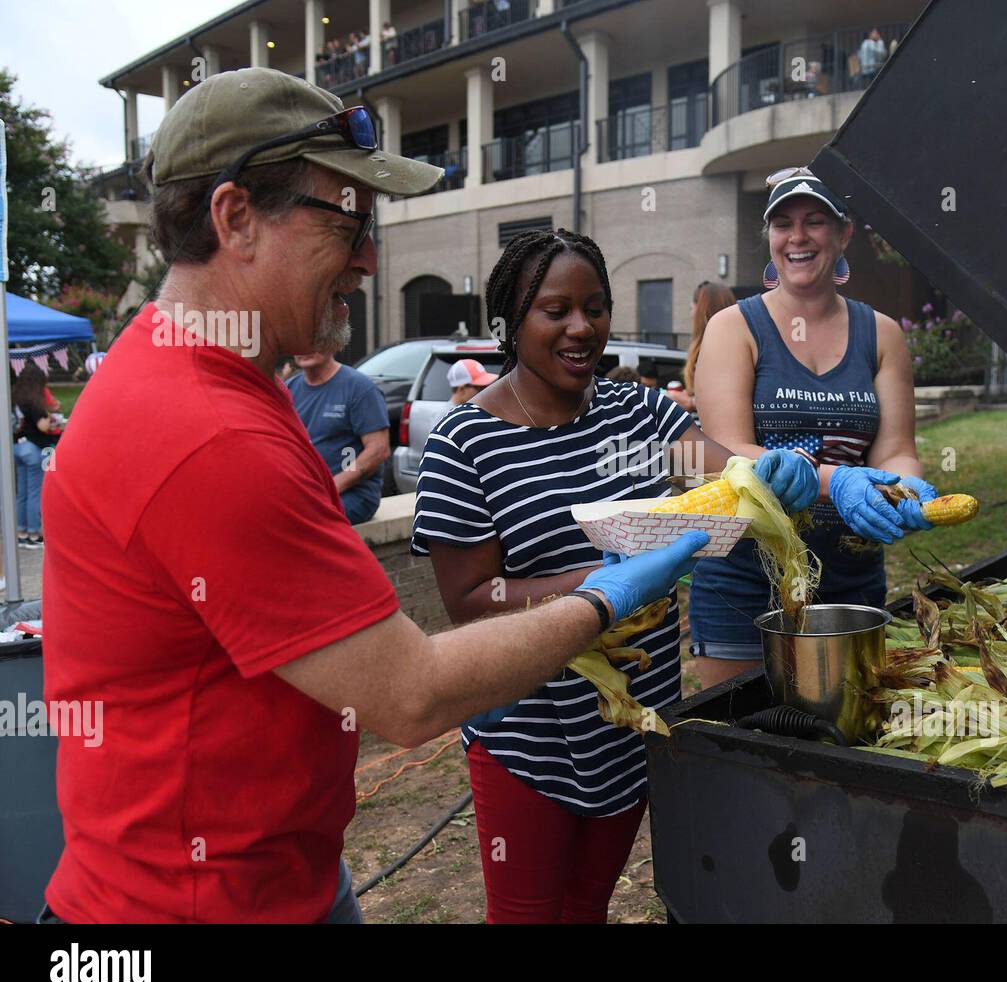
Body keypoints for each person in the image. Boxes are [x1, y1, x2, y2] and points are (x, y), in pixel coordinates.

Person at [38, 67, 705, 925]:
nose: (367, 256)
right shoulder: (206, 433)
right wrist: (603, 597)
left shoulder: (216, 383)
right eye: (345, 218)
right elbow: (410, 692)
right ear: (235, 218)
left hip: (279, 882)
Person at [412, 227, 817, 923]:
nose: (582, 328)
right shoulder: (464, 445)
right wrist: (600, 586)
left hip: (630, 727)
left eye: (595, 307)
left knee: (587, 908)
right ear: (511, 321)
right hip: (530, 738)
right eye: (556, 309)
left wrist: (771, 474)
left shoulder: (641, 411)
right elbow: (470, 605)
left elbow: (720, 467)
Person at [690, 168, 937, 689]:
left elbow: (896, 449)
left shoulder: (883, 334)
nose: (797, 237)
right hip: (744, 577)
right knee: (740, 737)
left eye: (814, 221)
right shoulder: (734, 327)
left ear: (844, 234)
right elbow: (727, 452)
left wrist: (904, 485)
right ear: (770, 239)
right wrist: (835, 482)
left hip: (851, 578)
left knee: (839, 736)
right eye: (782, 224)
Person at [287, 341, 390, 524]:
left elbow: (378, 450)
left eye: (315, 340)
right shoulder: (289, 390)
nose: (305, 347)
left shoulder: (359, 388)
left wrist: (333, 486)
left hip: (352, 494)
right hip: (306, 492)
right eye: (300, 340)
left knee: (305, 524)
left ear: (333, 344)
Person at [11, 362, 60, 548]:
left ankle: (21, 531)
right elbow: (43, 427)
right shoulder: (35, 400)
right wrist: (51, 418)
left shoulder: (15, 397)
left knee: (21, 493)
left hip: (17, 447)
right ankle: (34, 533)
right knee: (35, 493)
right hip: (33, 448)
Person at [671, 280, 736, 414]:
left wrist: (690, 402)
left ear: (702, 312)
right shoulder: (733, 347)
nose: (691, 315)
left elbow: (729, 398)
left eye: (692, 308)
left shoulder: (718, 351)